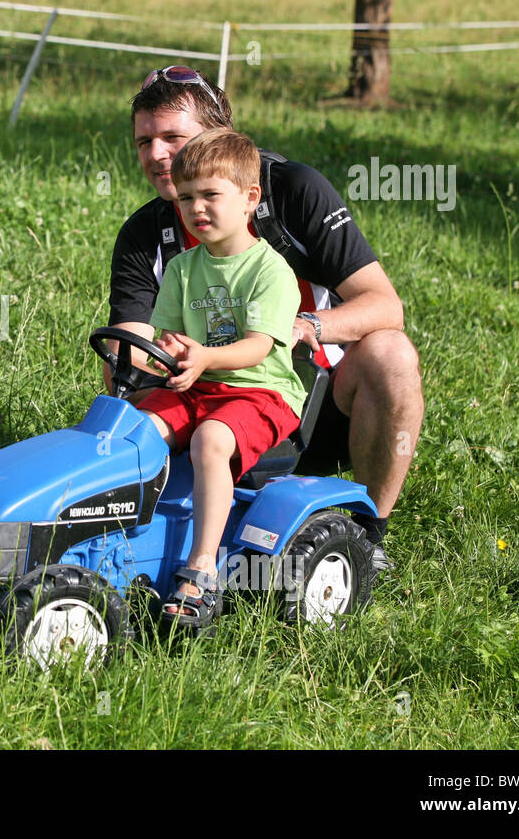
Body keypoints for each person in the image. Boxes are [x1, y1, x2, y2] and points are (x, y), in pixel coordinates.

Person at [107, 66, 423, 569]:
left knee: (392, 353)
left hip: (311, 406)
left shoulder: (294, 191)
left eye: (173, 137)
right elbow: (126, 358)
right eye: (144, 141)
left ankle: (367, 537)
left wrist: (304, 327)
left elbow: (386, 306)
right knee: (128, 411)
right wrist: (148, 363)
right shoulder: (145, 234)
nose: (157, 155)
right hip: (207, 407)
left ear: (220, 138)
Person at [136, 129, 306, 628]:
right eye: (187, 198)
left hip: (262, 392)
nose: (197, 208)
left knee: (211, 439)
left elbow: (259, 346)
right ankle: (123, 534)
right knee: (130, 430)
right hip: (199, 385)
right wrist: (167, 353)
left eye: (211, 194)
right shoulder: (184, 268)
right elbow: (166, 334)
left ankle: (202, 568)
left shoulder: (270, 271)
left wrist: (204, 356)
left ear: (250, 199)